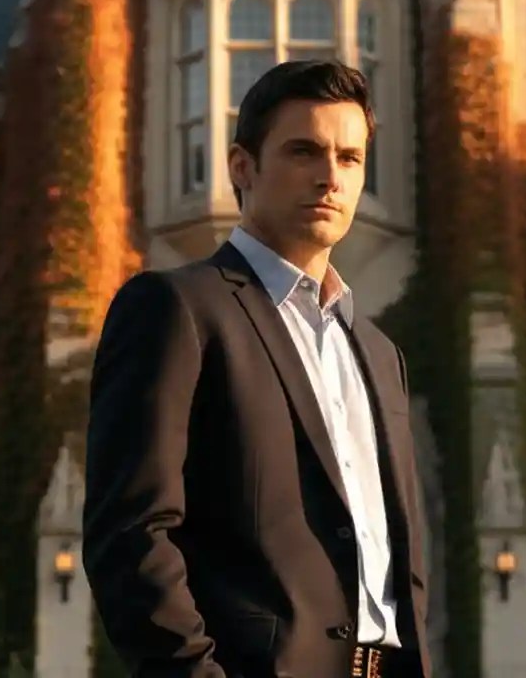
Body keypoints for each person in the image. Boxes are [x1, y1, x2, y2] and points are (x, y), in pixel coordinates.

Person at [82, 60, 430, 678]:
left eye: (349, 158)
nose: (330, 177)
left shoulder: (379, 352)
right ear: (242, 167)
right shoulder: (177, 308)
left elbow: (395, 553)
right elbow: (132, 532)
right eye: (305, 151)